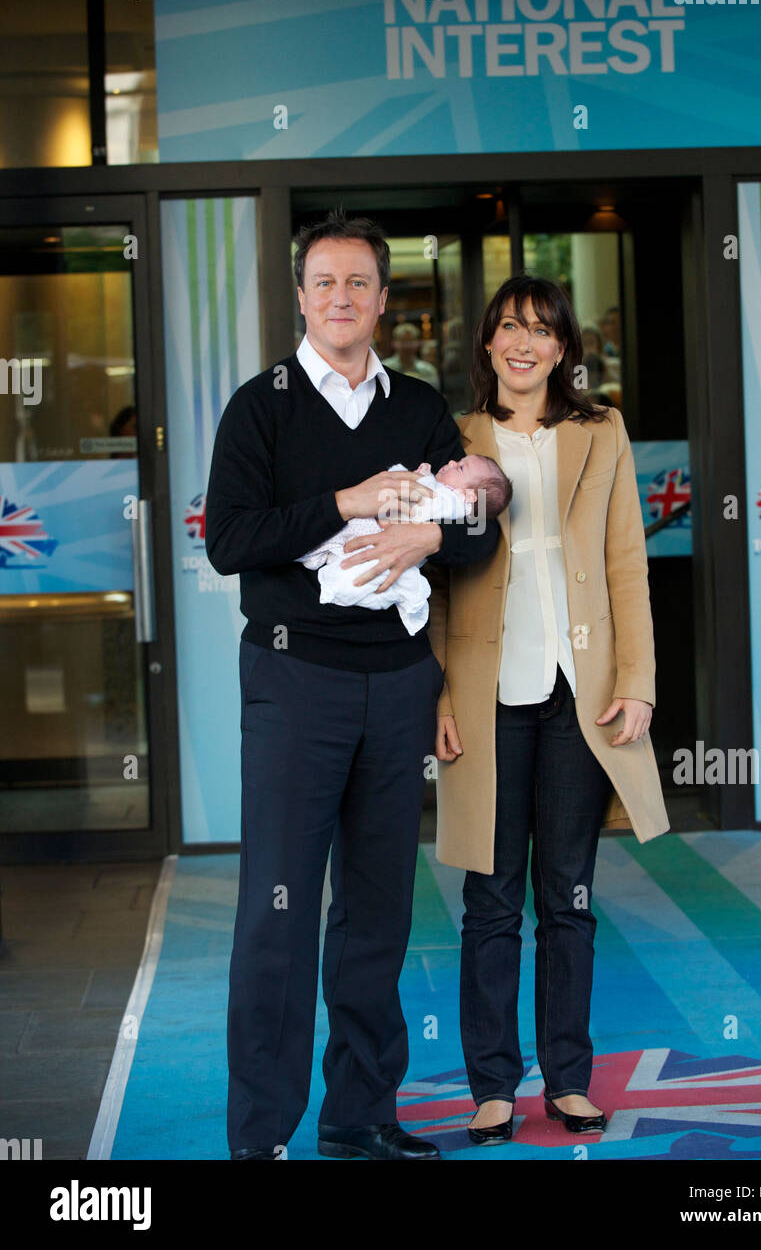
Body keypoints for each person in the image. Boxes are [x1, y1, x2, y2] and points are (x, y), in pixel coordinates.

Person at [204, 209, 500, 1162]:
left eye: (358, 283)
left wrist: (426, 532)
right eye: (324, 282)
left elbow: (479, 525)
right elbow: (229, 542)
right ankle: (260, 1135)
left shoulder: (416, 405)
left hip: (398, 685)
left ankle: (361, 1114)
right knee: (277, 912)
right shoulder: (261, 405)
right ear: (301, 296)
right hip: (295, 681)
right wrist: (352, 500)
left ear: (381, 298)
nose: (341, 298)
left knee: (377, 911)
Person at [427, 274, 670, 1146]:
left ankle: (567, 1081)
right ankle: (492, 1089)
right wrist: (439, 698)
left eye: (541, 329)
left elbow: (626, 564)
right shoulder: (450, 439)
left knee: (567, 899)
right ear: (486, 342)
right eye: (507, 328)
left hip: (580, 697)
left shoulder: (599, 432)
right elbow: (435, 583)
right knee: (490, 902)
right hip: (486, 700)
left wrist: (635, 679)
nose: (523, 343)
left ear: (563, 346)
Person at [298, 455, 511, 634]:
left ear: (470, 495)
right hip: (378, 529)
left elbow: (422, 499)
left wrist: (416, 478)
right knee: (346, 546)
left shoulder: (453, 502)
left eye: (461, 467)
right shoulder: (446, 495)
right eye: (458, 461)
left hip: (385, 540)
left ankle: (333, 578)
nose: (453, 462)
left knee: (361, 568)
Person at [383, 321, 441, 389]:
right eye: (403, 341)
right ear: (394, 343)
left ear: (418, 342)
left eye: (411, 341)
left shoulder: (428, 370)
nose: (407, 346)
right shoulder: (384, 369)